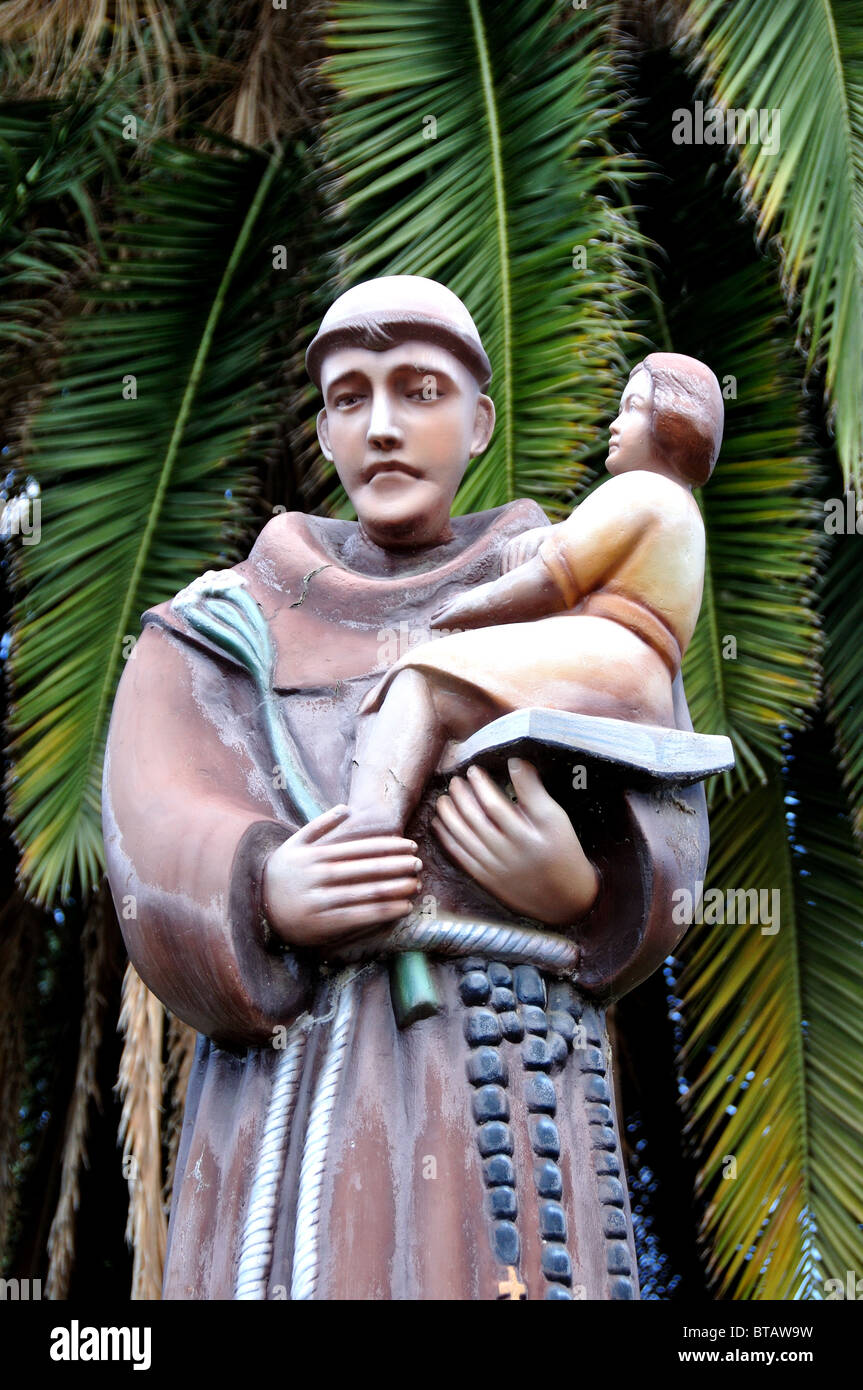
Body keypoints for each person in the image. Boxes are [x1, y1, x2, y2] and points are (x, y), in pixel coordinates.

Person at [102, 275, 711, 1299]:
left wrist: (583, 891)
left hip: (501, 1063)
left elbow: (665, 798)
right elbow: (148, 809)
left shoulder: (567, 599)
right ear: (325, 428)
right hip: (281, 1102)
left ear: (477, 422)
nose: (382, 426)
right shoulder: (217, 621)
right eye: (349, 397)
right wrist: (260, 885)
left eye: (418, 390)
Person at [340, 353, 723, 845]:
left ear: (672, 422)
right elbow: (580, 551)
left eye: (632, 408)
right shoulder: (677, 507)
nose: (615, 424)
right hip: (633, 679)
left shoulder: (640, 489)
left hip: (609, 661)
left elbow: (552, 579)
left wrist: (463, 608)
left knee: (421, 675)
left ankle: (368, 831)